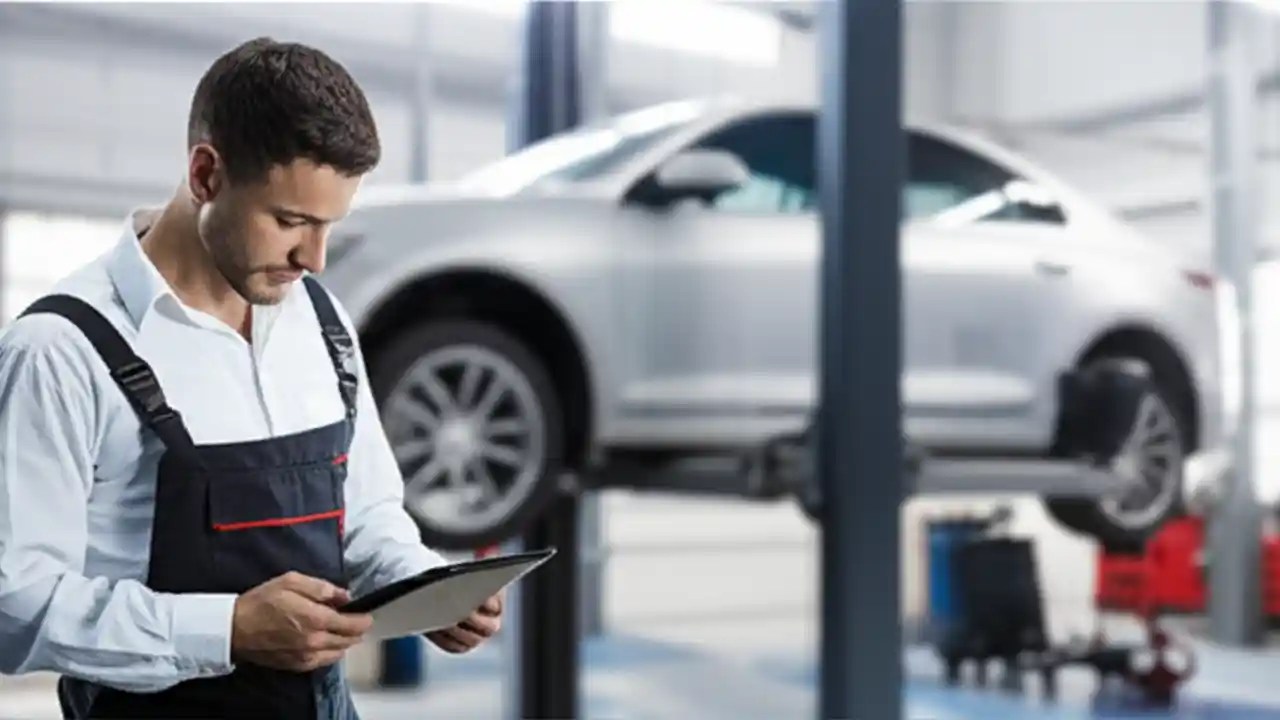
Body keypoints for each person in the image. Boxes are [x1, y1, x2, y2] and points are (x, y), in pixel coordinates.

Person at [0, 37, 502, 719]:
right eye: (290, 221)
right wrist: (228, 628)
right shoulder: (60, 350)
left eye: (329, 225)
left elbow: (368, 514)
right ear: (206, 174)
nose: (315, 258)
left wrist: (420, 583)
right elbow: (15, 606)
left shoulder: (321, 322)